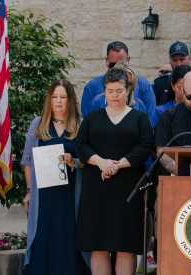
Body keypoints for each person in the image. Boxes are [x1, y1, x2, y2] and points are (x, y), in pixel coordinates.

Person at [76, 66, 154, 275]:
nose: (115, 96)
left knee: (125, 246)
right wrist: (101, 162)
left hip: (127, 189)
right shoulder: (93, 118)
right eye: (110, 91)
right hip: (96, 189)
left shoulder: (140, 118)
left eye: (119, 91)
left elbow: (145, 146)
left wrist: (118, 165)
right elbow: (81, 145)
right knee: (99, 245)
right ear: (104, 92)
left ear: (128, 90)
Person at [21, 80, 87, 275]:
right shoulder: (38, 124)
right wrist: (29, 191)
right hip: (43, 196)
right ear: (49, 100)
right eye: (55, 97)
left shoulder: (80, 125)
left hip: (69, 194)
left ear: (70, 100)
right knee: (42, 237)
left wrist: (73, 161)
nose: (58, 101)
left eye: (63, 97)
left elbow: (86, 161)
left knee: (68, 238)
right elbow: (27, 161)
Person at [81, 41, 157, 126]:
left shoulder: (143, 86)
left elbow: (150, 120)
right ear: (106, 61)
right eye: (113, 64)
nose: (117, 68)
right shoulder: (92, 87)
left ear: (128, 60)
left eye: (121, 64)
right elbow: (87, 121)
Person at [155, 70, 191, 175]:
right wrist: (183, 171)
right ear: (183, 92)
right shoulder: (169, 117)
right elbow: (161, 151)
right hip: (176, 178)